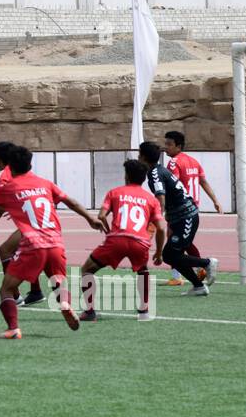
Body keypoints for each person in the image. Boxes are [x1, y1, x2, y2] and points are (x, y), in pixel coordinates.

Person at [0, 145, 100, 338]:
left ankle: (13, 328)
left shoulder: (8, 186)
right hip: (56, 241)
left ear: (10, 167)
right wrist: (90, 218)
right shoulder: (45, 183)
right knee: (58, 281)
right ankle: (65, 304)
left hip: (33, 243)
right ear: (30, 164)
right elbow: (70, 201)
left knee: (6, 289)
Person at [79, 159, 166, 322]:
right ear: (144, 179)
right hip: (140, 242)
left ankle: (90, 312)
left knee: (86, 270)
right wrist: (159, 253)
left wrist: (108, 232)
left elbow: (101, 216)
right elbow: (161, 228)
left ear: (126, 176)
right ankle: (144, 311)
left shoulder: (114, 192)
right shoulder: (151, 199)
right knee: (143, 270)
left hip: (116, 240)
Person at [139, 141, 216, 296]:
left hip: (186, 216)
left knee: (171, 255)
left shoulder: (155, 173)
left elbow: (161, 196)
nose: (138, 156)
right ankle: (198, 286)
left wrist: (158, 218)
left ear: (143, 157)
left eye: (139, 154)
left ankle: (207, 263)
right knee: (172, 255)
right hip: (180, 217)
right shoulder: (157, 170)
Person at [0, 141, 43, 307]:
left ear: (1, 159)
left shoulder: (4, 177)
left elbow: (1, 204)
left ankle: (13, 295)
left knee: (5, 250)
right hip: (43, 220)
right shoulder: (26, 172)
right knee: (33, 253)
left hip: (33, 224)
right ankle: (36, 291)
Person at [163, 130, 223, 285]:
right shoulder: (194, 161)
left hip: (180, 209)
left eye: (169, 144)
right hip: (193, 207)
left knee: (174, 241)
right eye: (165, 144)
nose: (166, 148)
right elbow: (203, 182)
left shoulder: (174, 162)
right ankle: (195, 270)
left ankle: (187, 272)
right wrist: (215, 200)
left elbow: (172, 186)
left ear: (179, 146)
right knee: (183, 241)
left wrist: (166, 209)